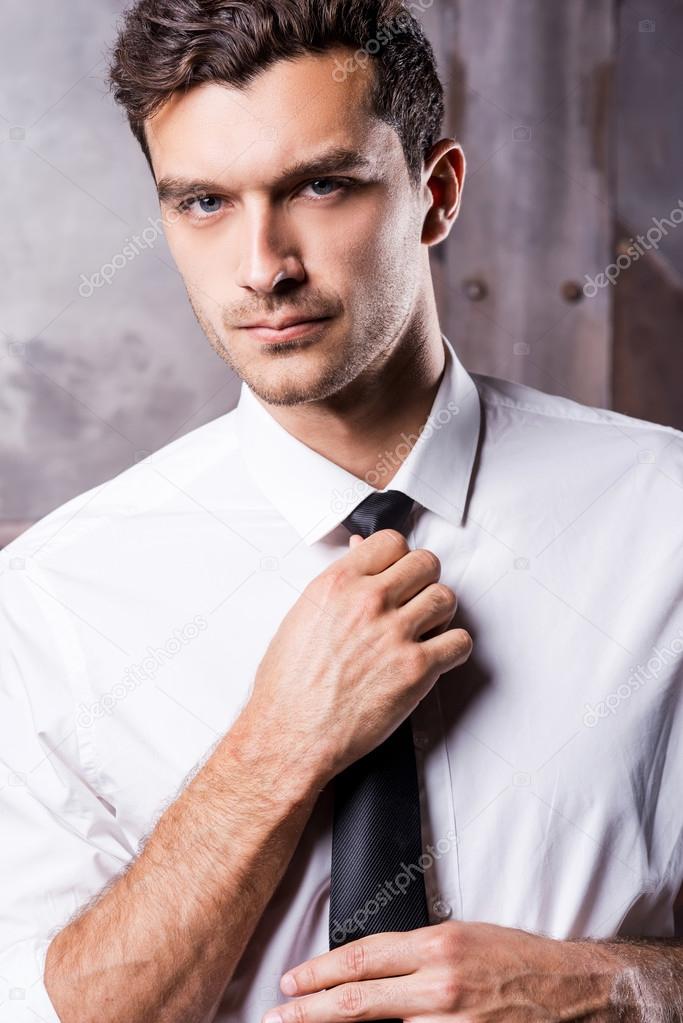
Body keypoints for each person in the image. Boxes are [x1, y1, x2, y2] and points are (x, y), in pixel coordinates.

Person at [1, 2, 682, 1021]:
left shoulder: (662, 516)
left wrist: (629, 987)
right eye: (202, 202)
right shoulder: (53, 598)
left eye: (320, 186)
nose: (261, 265)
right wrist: (274, 748)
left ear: (434, 193)